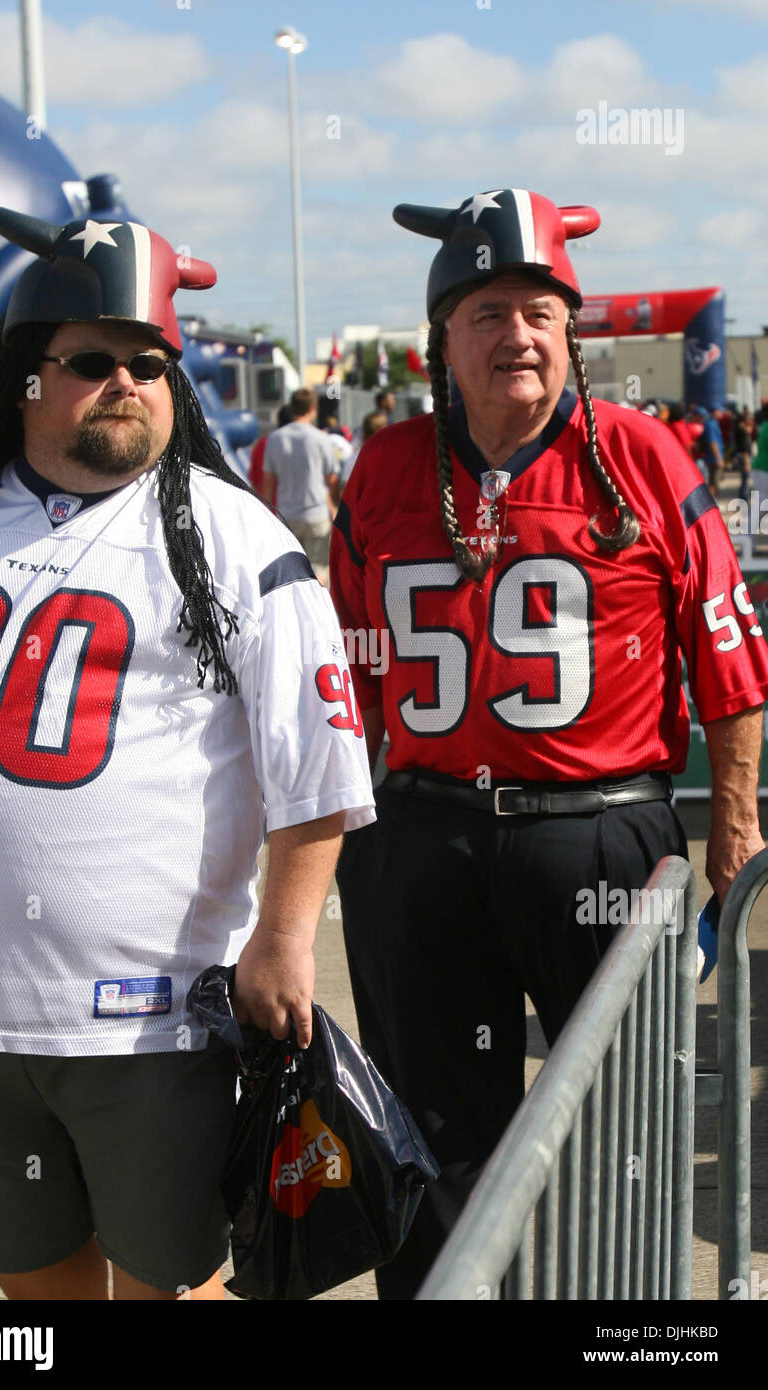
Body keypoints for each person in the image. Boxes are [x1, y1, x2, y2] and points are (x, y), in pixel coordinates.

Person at [0, 207, 375, 1301]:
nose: (126, 381)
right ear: (25, 375)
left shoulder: (232, 535)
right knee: (34, 1291)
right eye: (91, 361)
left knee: (174, 1288)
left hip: (146, 1018)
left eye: (149, 363)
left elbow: (317, 768)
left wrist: (285, 939)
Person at [329, 186, 768, 1300]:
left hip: (596, 832)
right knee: (423, 1138)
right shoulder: (380, 469)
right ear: (442, 337)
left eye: (537, 311)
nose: (514, 335)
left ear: (572, 332)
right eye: (484, 313)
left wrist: (731, 823)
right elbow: (334, 677)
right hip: (424, 833)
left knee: (622, 1126)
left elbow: (725, 656)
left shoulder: (643, 456)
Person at [261, 388, 340, 577]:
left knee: (290, 572)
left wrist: (267, 514)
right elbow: (332, 480)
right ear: (313, 409)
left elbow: (268, 483)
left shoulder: (275, 439)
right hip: (316, 513)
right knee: (319, 568)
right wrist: (335, 504)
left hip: (286, 514)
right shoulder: (322, 439)